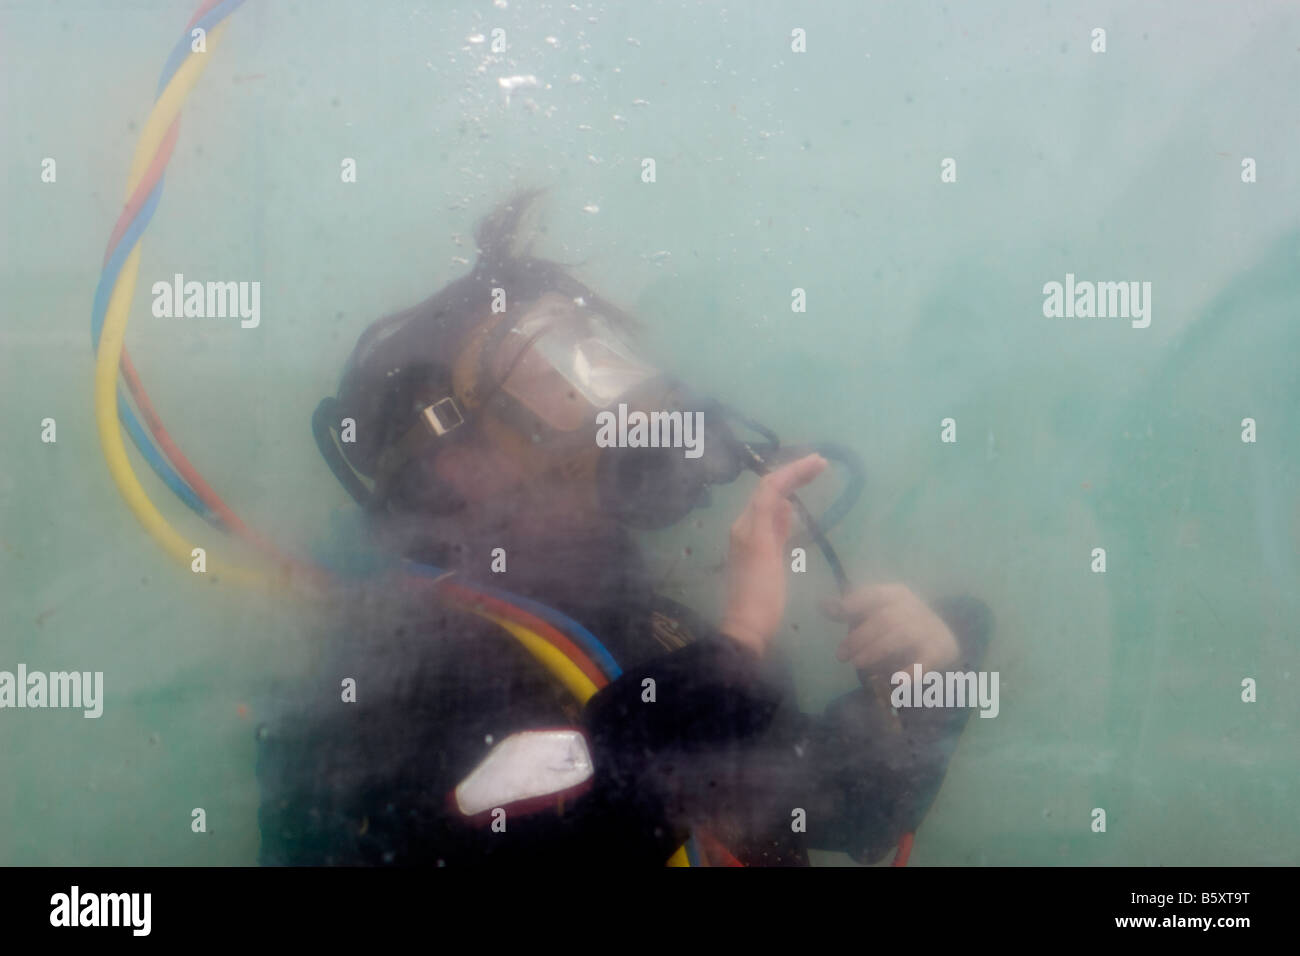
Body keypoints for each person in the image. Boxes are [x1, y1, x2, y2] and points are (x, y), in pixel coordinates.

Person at [255, 191, 993, 866]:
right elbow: (539, 833)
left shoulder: (653, 630)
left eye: (600, 357)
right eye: (553, 372)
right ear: (451, 459)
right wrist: (735, 650)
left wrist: (931, 677)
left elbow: (844, 808)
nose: (611, 404)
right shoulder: (395, 682)